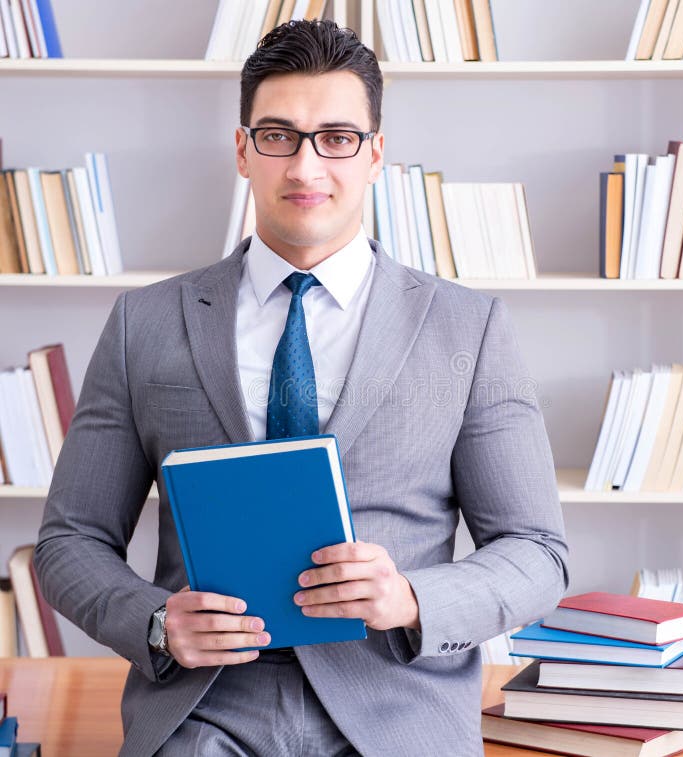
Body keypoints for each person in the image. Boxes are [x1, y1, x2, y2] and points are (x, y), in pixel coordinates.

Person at [34, 19, 568, 757]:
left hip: (397, 710)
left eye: (336, 138)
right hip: (205, 710)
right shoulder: (144, 323)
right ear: (243, 150)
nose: (305, 166)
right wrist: (156, 623)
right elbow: (69, 540)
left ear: (375, 154)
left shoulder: (468, 328)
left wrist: (412, 597)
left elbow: (537, 551)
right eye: (279, 136)